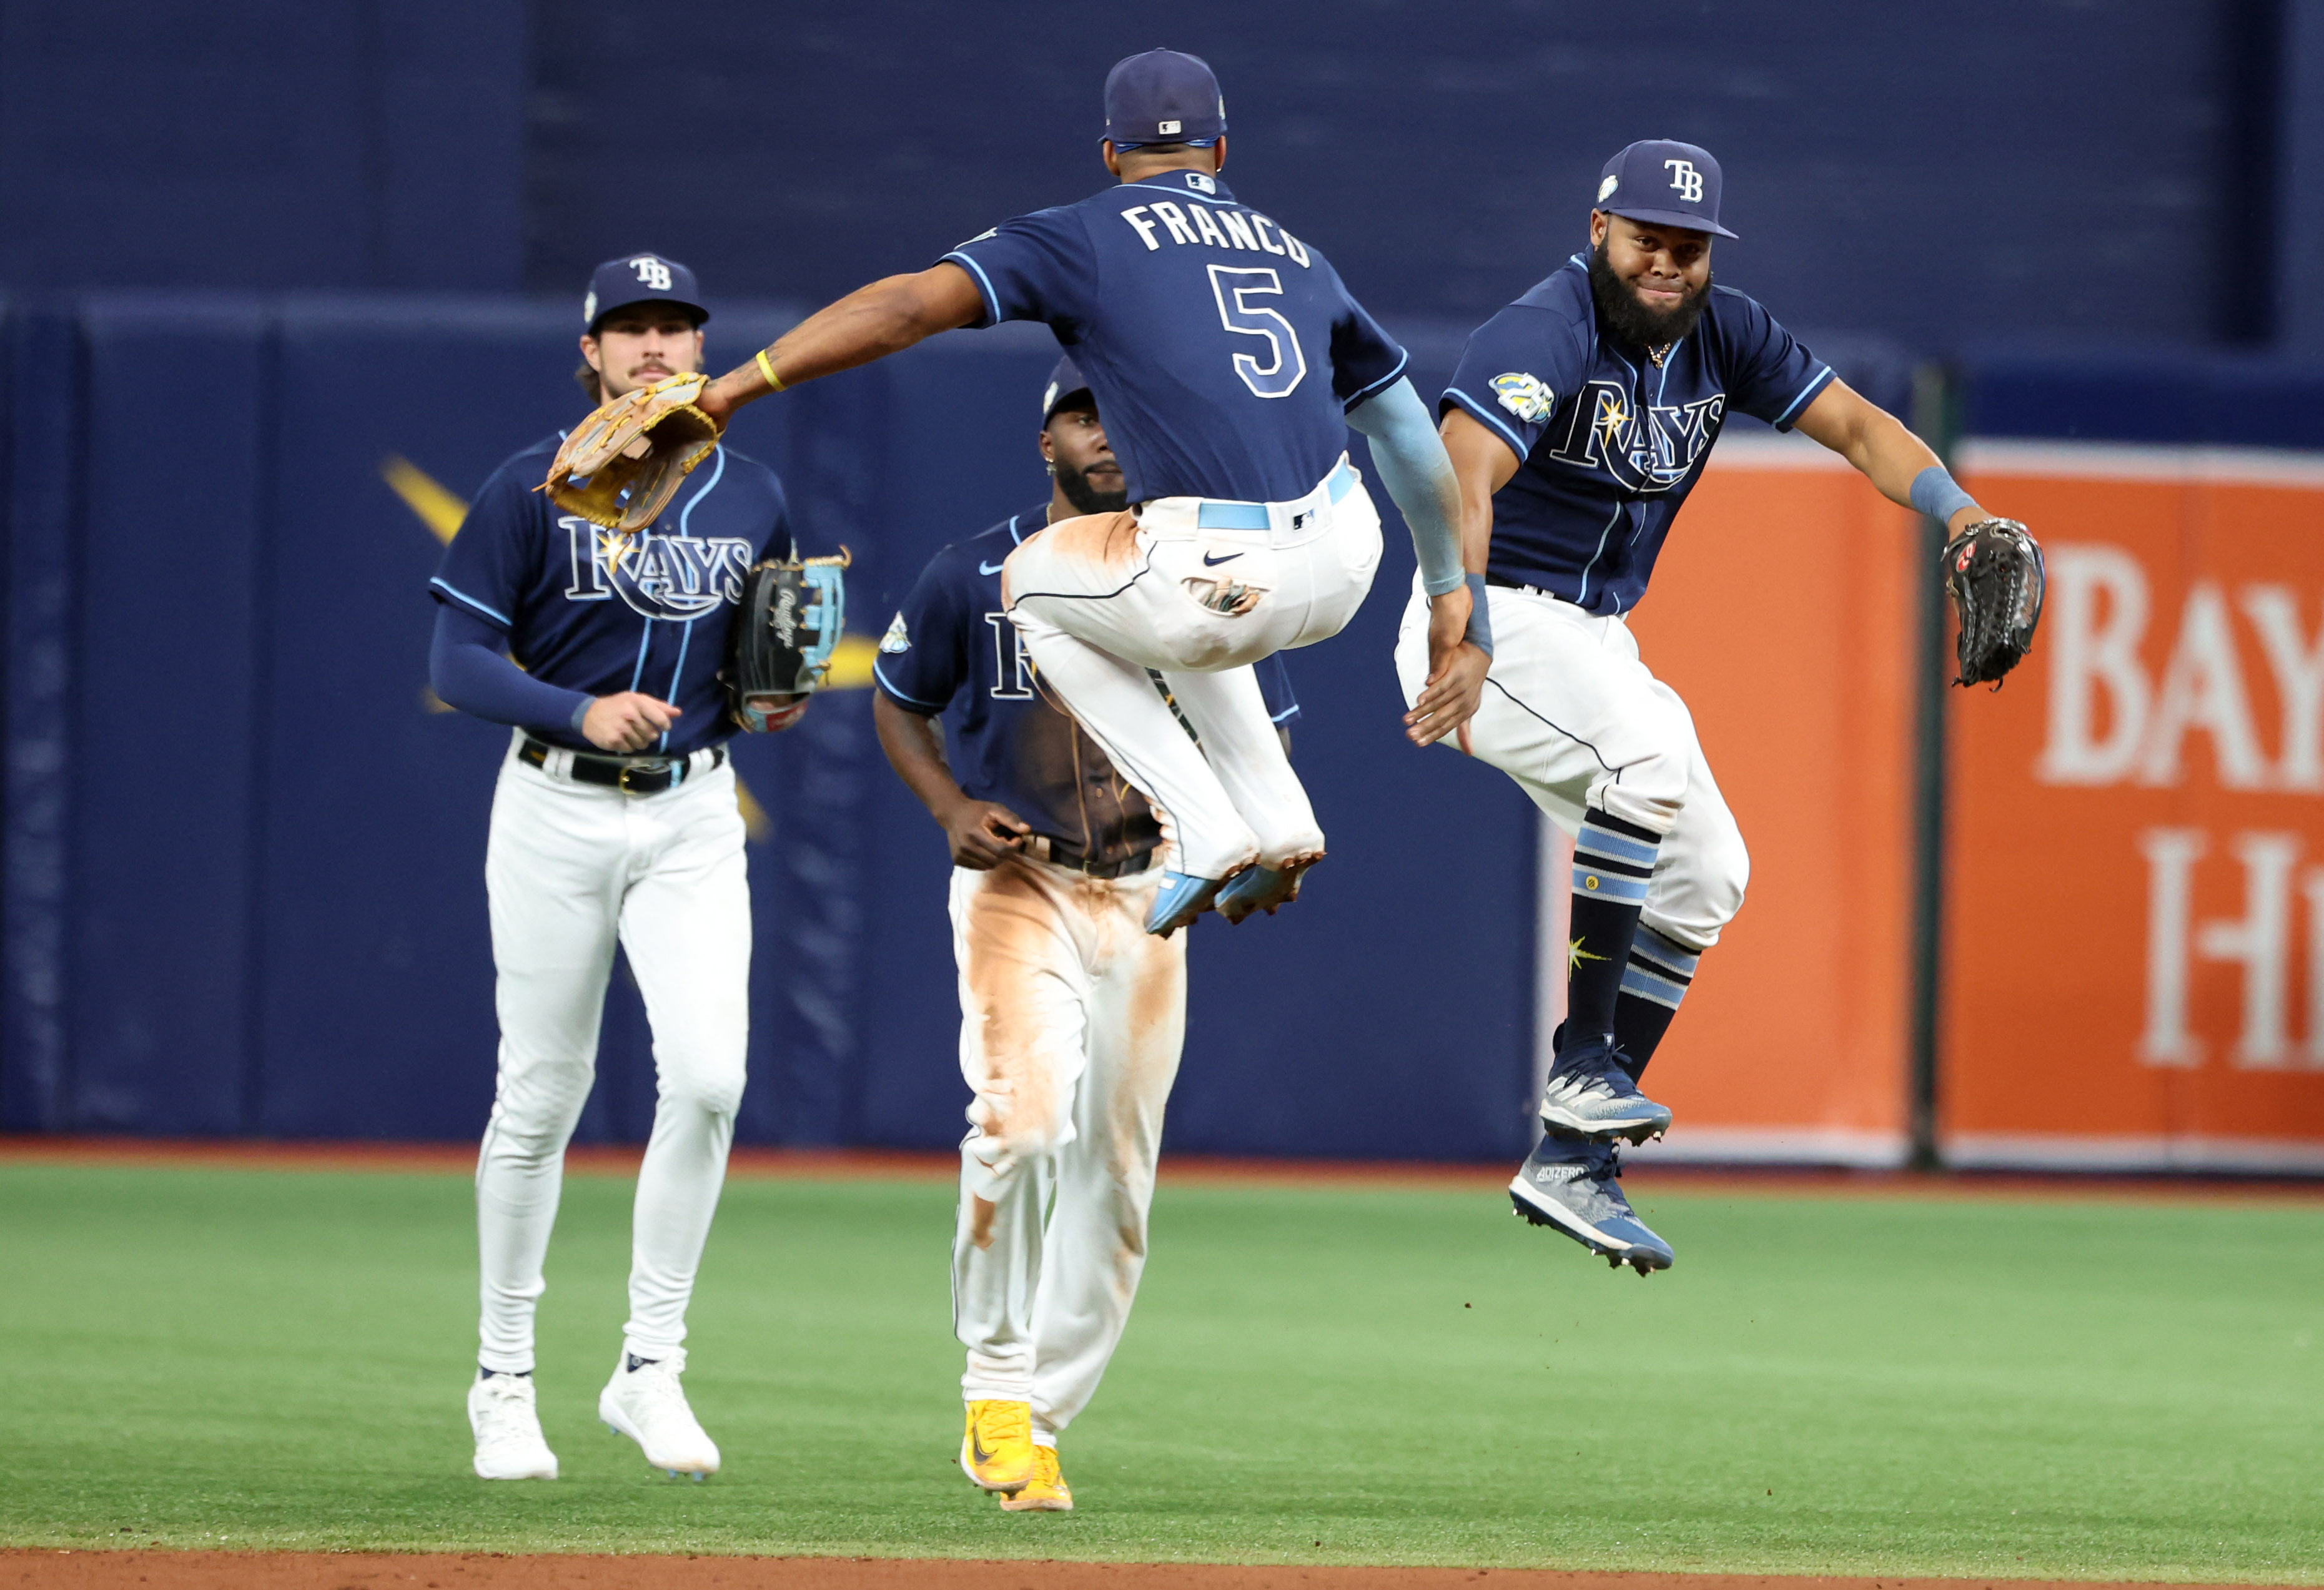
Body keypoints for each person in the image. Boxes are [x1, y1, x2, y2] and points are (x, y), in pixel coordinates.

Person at [657, 46, 1483, 960]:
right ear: (1220, 151)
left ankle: (1203, 826)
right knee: (1177, 611)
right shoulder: (1301, 257)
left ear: (1107, 155)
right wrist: (1450, 587)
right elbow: (1408, 436)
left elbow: (906, 307)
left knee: (1033, 583)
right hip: (1342, 558)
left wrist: (738, 385)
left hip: (1217, 568)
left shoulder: (1085, 232)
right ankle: (1280, 819)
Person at [1397, 141, 2034, 1274]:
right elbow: (1464, 472)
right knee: (1639, 762)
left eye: (1687, 247)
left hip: (1587, 638)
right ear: (1598, 230)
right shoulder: (1543, 329)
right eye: (1647, 239)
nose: (1668, 264)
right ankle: (1584, 1062)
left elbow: (1858, 428)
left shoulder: (1724, 329)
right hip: (1488, 618)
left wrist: (1962, 512)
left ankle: (1569, 1157)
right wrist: (1466, 629)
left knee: (1708, 872)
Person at [872, 358, 1300, 1511]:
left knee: (1115, 1178)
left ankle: (1041, 1424)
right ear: (1044, 439)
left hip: (1150, 891)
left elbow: (1264, 746)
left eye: (1120, 411)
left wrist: (1262, 850)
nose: (1102, 433)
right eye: (1078, 413)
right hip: (1025, 883)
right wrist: (950, 807)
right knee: (1019, 1123)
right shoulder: (975, 570)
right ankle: (997, 1386)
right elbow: (899, 697)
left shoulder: (1209, 579)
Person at [429, 252, 813, 1481]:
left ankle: (649, 1369)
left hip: (692, 816)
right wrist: (573, 708)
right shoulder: (528, 488)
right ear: (589, 354)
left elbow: (769, 668)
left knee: (708, 1080)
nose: (655, 347)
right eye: (629, 330)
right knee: (542, 1091)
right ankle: (502, 1380)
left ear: (703, 354)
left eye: (676, 329)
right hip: (555, 808)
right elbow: (456, 660)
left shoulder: (751, 491)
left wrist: (775, 694)